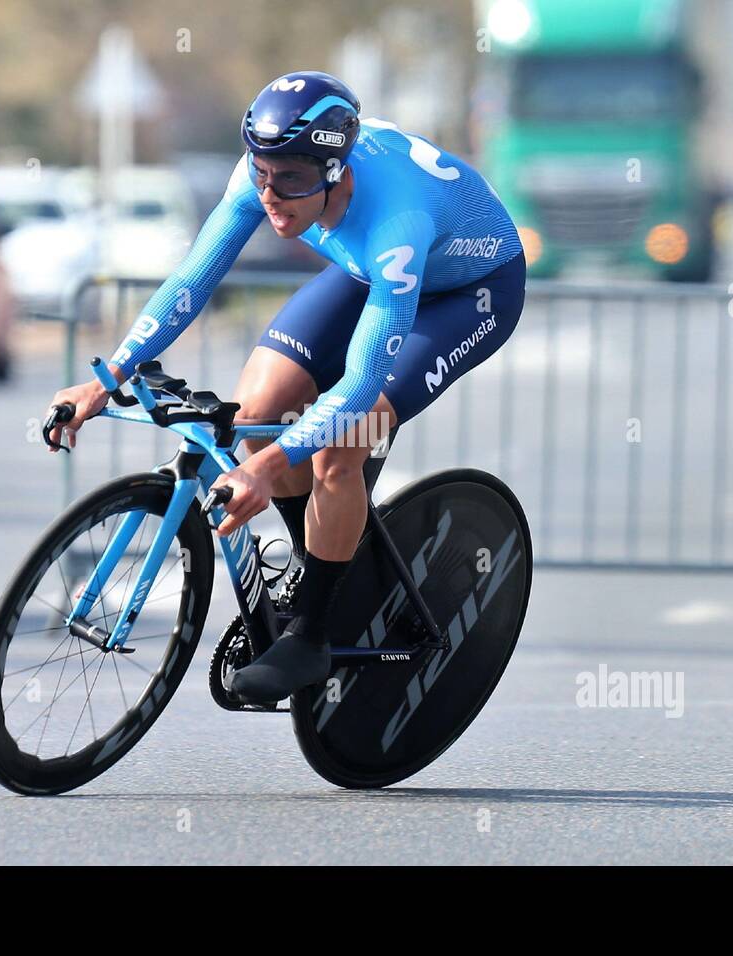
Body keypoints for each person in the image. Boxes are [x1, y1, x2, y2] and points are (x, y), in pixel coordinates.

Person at [45, 71, 526, 702]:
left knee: (340, 445)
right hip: (367, 272)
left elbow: (359, 384)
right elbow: (192, 282)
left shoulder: (396, 221)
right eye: (263, 172)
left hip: (469, 294)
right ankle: (331, 565)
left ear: (336, 167)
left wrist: (268, 469)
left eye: (293, 179)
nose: (272, 195)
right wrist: (107, 379)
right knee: (259, 407)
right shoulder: (266, 177)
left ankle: (314, 633)